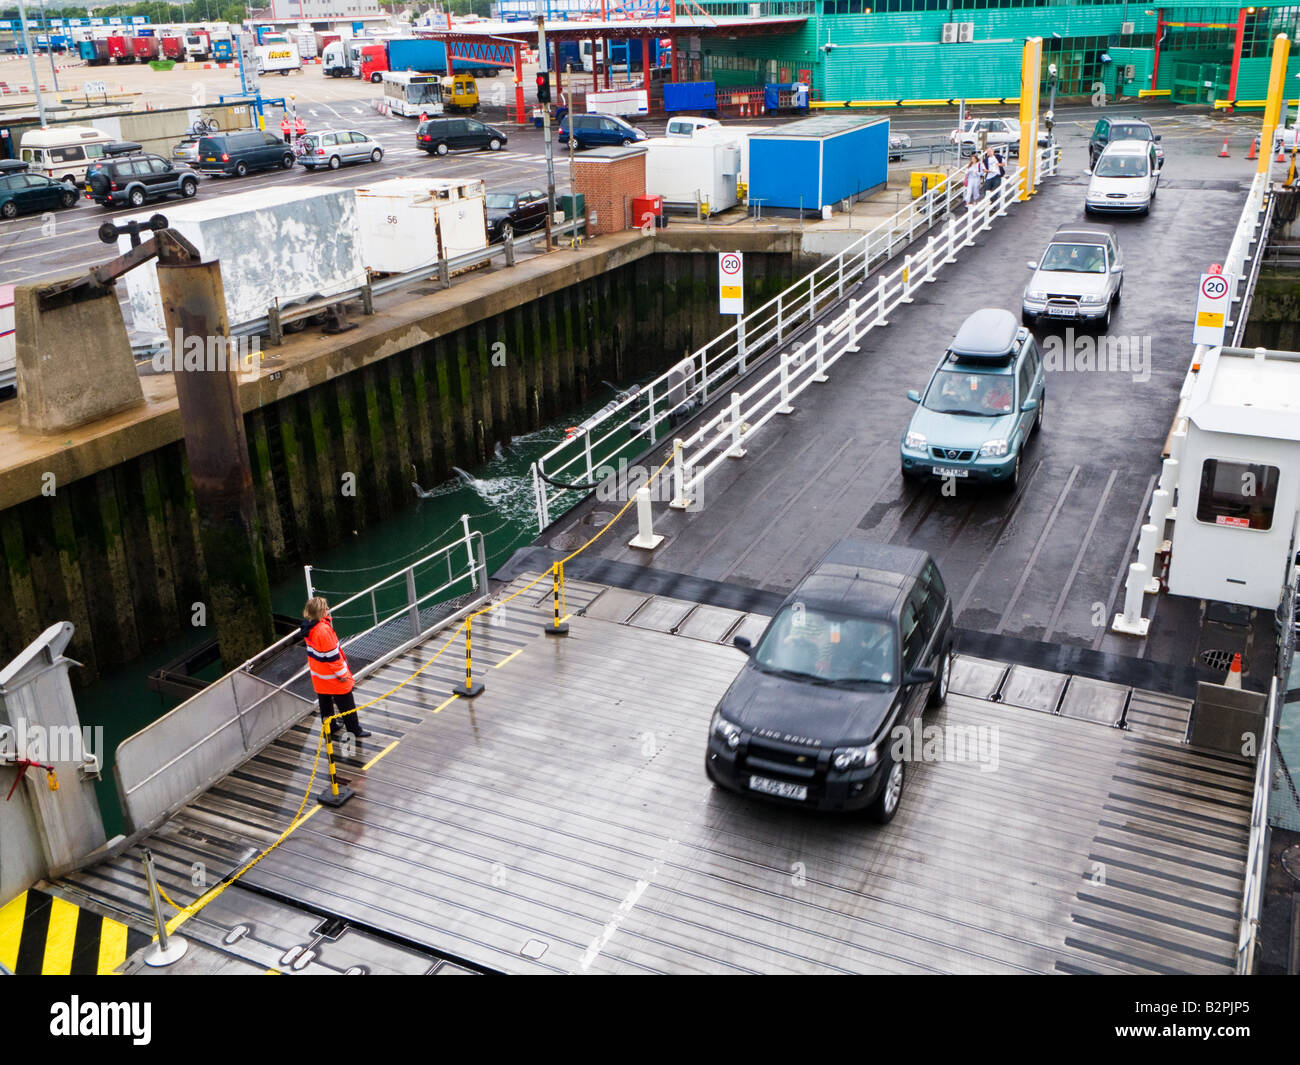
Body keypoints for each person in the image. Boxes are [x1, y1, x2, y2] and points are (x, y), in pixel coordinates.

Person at [300, 597, 371, 740]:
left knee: (325, 701)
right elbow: (333, 656)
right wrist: (342, 674)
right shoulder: (323, 630)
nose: (328, 609)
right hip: (332, 675)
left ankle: (330, 727)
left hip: (318, 674)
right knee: (347, 703)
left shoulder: (308, 627)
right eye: (326, 608)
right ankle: (354, 729)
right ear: (320, 611)